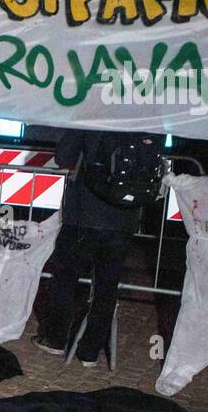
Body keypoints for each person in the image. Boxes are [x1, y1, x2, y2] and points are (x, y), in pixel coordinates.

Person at [33, 129, 153, 366]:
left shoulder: (91, 117)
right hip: (124, 219)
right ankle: (90, 351)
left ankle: (56, 339)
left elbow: (62, 157)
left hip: (84, 217)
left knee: (65, 278)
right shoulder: (144, 120)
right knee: (107, 287)